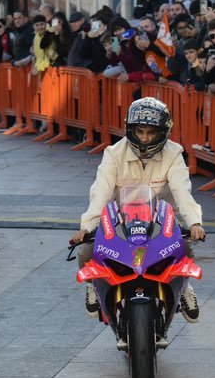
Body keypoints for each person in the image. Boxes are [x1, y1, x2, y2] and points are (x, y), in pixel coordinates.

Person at [70, 97, 204, 322]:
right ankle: (93, 284)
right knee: (86, 252)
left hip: (160, 221)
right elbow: (100, 192)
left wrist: (194, 223)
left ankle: (184, 288)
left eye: (151, 133)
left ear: (164, 132)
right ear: (129, 130)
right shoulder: (113, 153)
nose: (145, 139)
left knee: (186, 250)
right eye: (140, 132)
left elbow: (183, 191)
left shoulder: (174, 154)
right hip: (119, 220)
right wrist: (87, 227)